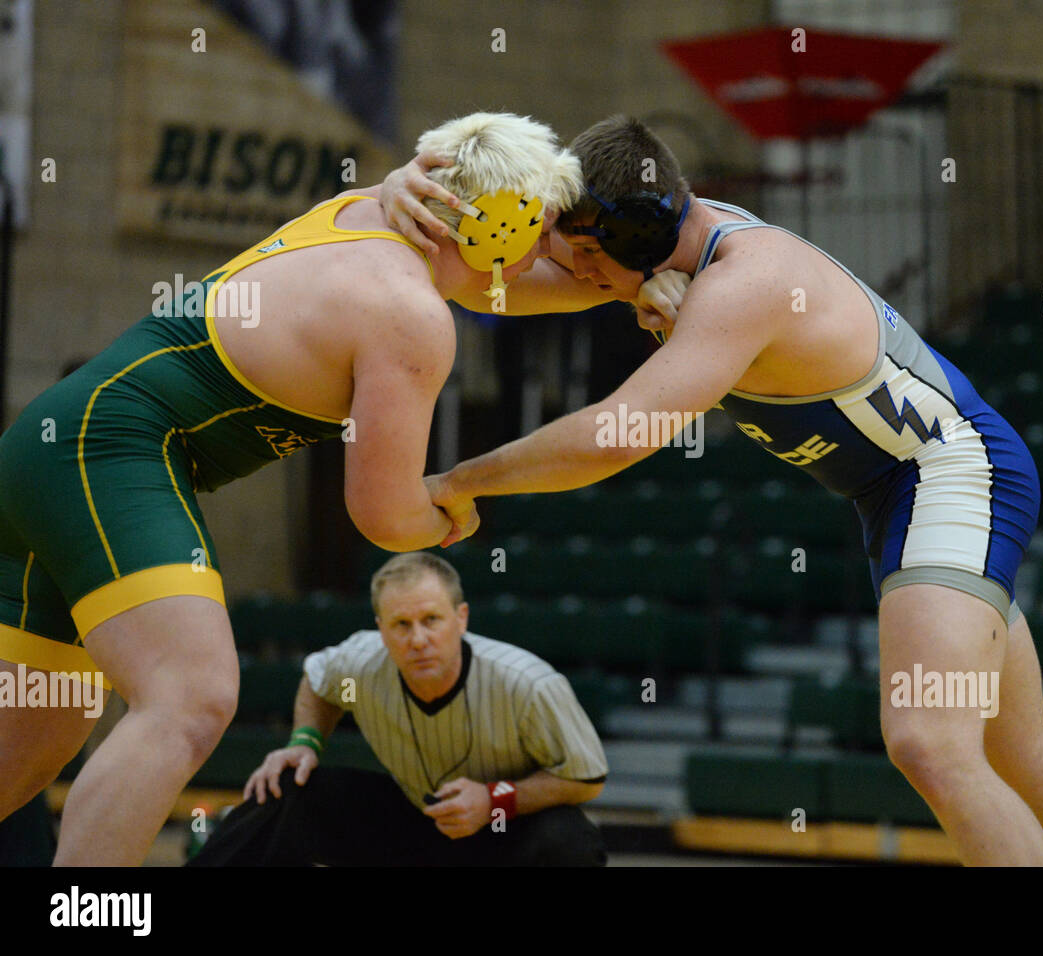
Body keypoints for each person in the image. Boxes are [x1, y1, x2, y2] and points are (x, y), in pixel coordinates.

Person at [383, 115, 1043, 867]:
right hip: (898, 494)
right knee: (1024, 763)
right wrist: (397, 202)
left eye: (584, 254)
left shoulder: (748, 280)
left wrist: (459, 479)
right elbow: (489, 289)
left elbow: (614, 437)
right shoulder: (651, 250)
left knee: (930, 742)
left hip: (949, 474)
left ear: (642, 238)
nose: (572, 270)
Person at [0, 111, 633, 865]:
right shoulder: (413, 316)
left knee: (36, 740)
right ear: (489, 230)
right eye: (536, 245)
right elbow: (382, 515)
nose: (542, 265)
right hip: (110, 448)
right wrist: (453, 507)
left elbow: (502, 286)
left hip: (46, 450)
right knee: (190, 699)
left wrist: (619, 290)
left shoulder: (365, 213)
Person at [188, 551, 608, 866]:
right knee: (285, 788)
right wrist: (305, 742)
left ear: (461, 619)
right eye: (402, 625)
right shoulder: (361, 669)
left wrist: (494, 801)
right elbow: (323, 687)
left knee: (569, 841)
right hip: (409, 823)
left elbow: (584, 779)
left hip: (501, 830)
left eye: (432, 620)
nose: (418, 639)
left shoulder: (528, 686)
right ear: (381, 629)